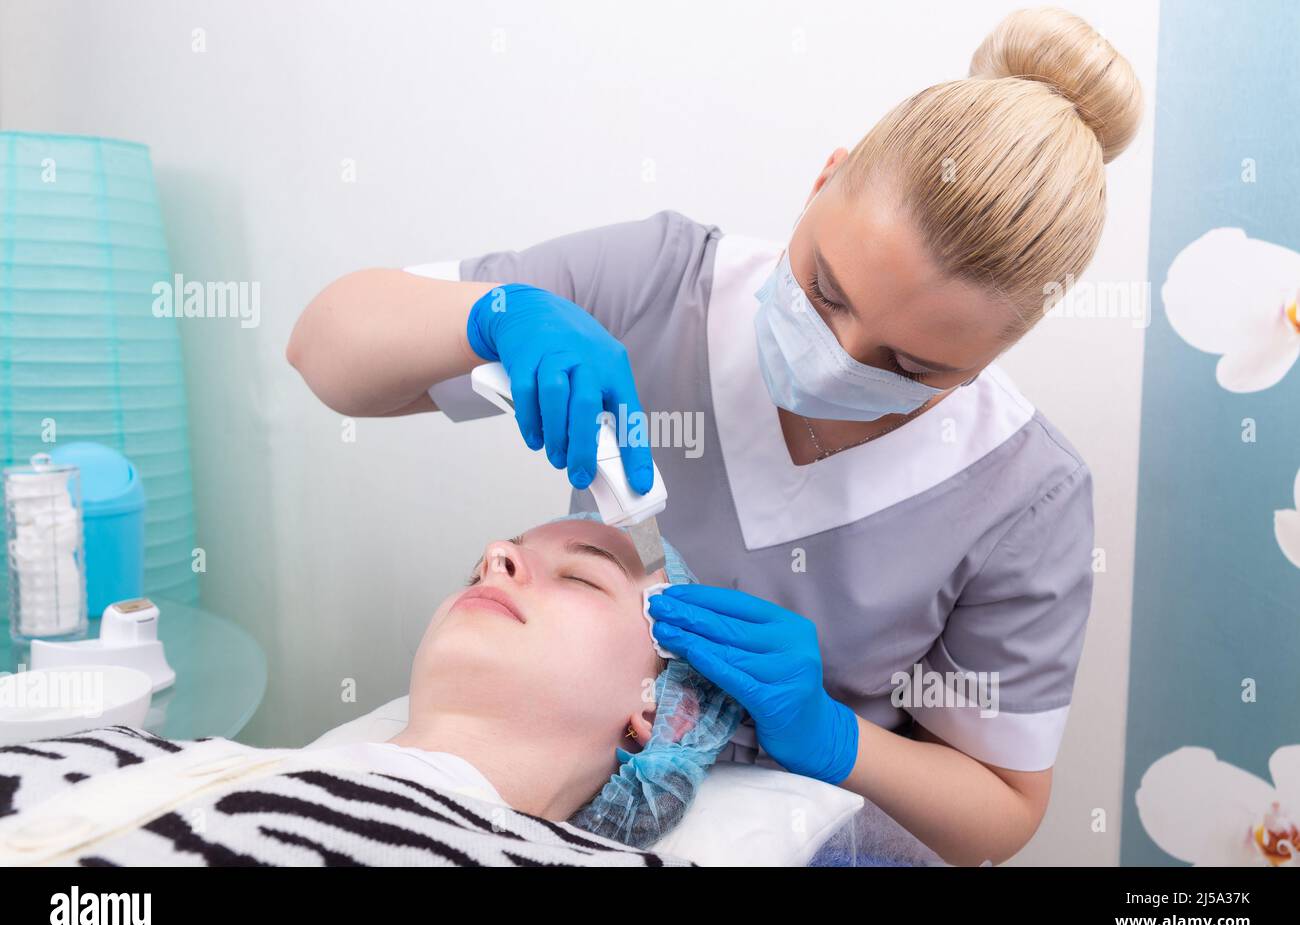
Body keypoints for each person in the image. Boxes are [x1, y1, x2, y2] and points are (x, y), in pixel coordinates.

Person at [286, 7, 1143, 864]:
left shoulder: (1026, 494)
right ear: (824, 180)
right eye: (826, 289)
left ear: (999, 352)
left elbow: (999, 807)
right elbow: (323, 348)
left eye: (910, 365)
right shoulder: (659, 284)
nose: (838, 361)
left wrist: (831, 735)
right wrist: (492, 314)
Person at [0, 517, 738, 866]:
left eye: (581, 575)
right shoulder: (128, 753)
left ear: (653, 711)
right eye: (490, 560)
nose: (496, 554)